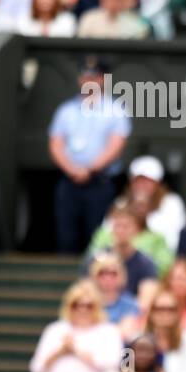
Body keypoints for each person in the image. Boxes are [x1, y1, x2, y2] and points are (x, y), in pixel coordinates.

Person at [48, 57, 129, 254]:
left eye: (94, 77)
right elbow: (56, 144)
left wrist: (89, 169)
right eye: (85, 76)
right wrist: (73, 169)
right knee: (66, 237)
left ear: (102, 80)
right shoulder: (66, 111)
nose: (89, 81)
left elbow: (116, 145)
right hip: (70, 181)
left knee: (98, 238)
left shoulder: (115, 110)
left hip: (99, 182)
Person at [29, 280, 123, 372]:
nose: (82, 309)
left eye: (89, 306)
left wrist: (75, 350)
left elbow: (113, 363)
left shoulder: (109, 331)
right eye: (76, 305)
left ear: (97, 307)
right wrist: (61, 351)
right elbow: (36, 368)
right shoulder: (54, 329)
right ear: (68, 306)